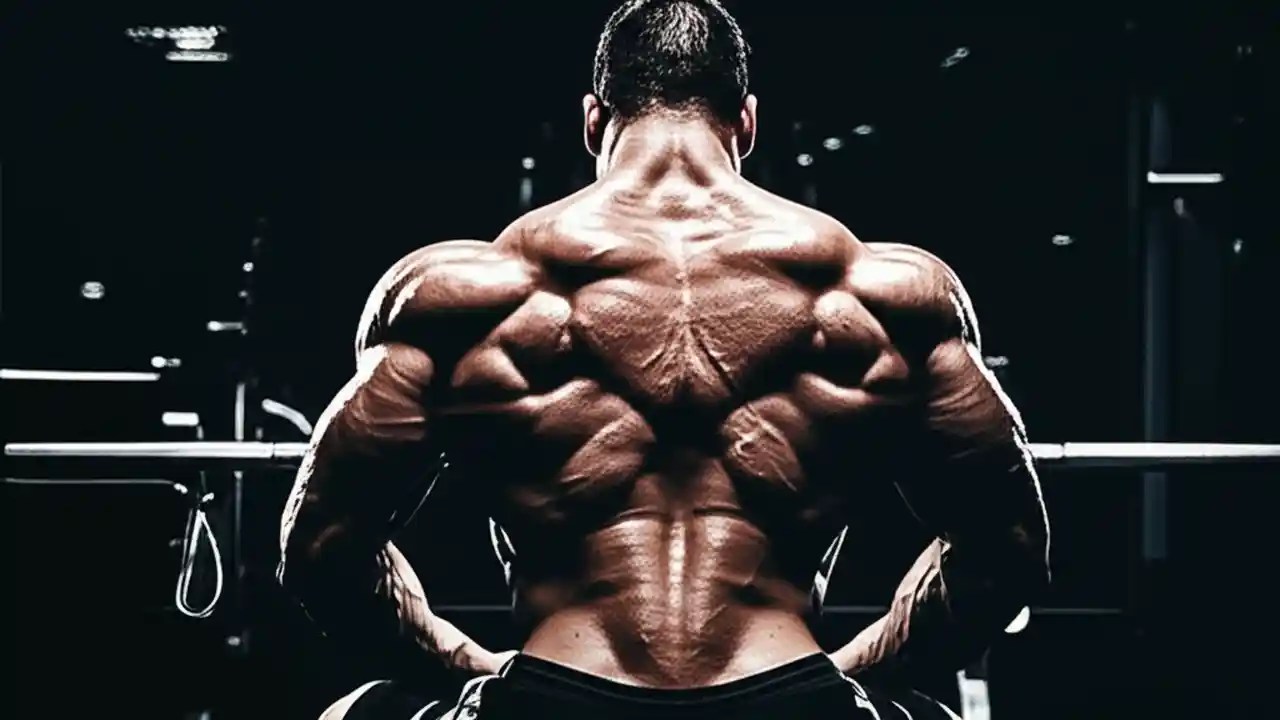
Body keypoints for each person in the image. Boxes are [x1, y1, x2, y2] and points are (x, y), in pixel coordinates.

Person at [277, 1, 1051, 718]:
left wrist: (465, 665)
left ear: (593, 121)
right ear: (746, 123)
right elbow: (1007, 548)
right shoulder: (880, 294)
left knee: (361, 711)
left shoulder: (468, 295)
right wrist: (849, 674)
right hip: (790, 692)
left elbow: (321, 547)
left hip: (553, 695)